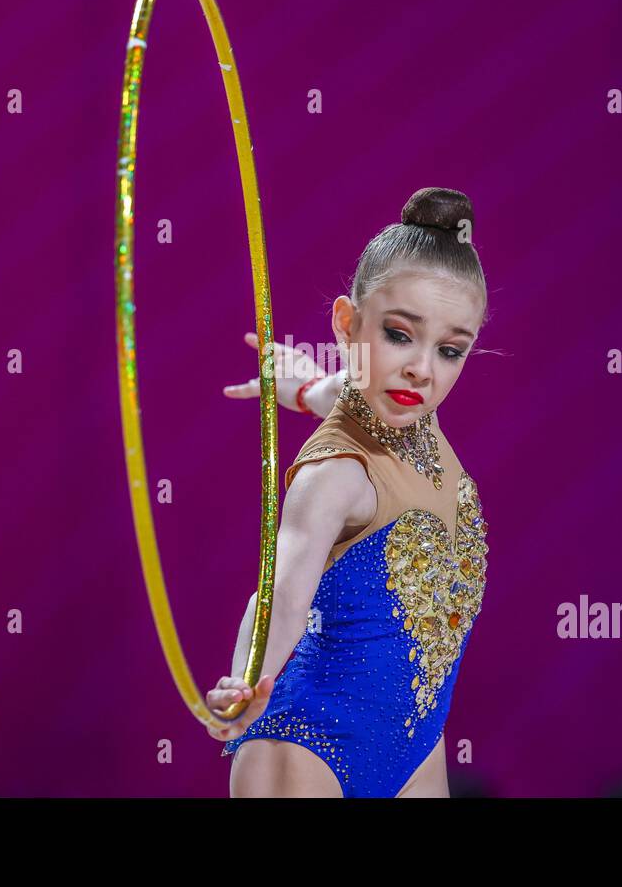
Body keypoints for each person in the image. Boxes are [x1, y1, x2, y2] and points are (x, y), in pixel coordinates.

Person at [207, 187, 492, 797]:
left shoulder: (414, 415)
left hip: (416, 746)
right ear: (345, 322)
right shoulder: (333, 476)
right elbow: (279, 593)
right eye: (398, 334)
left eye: (450, 350)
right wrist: (243, 682)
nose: (422, 368)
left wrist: (304, 390)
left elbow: (354, 390)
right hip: (305, 746)